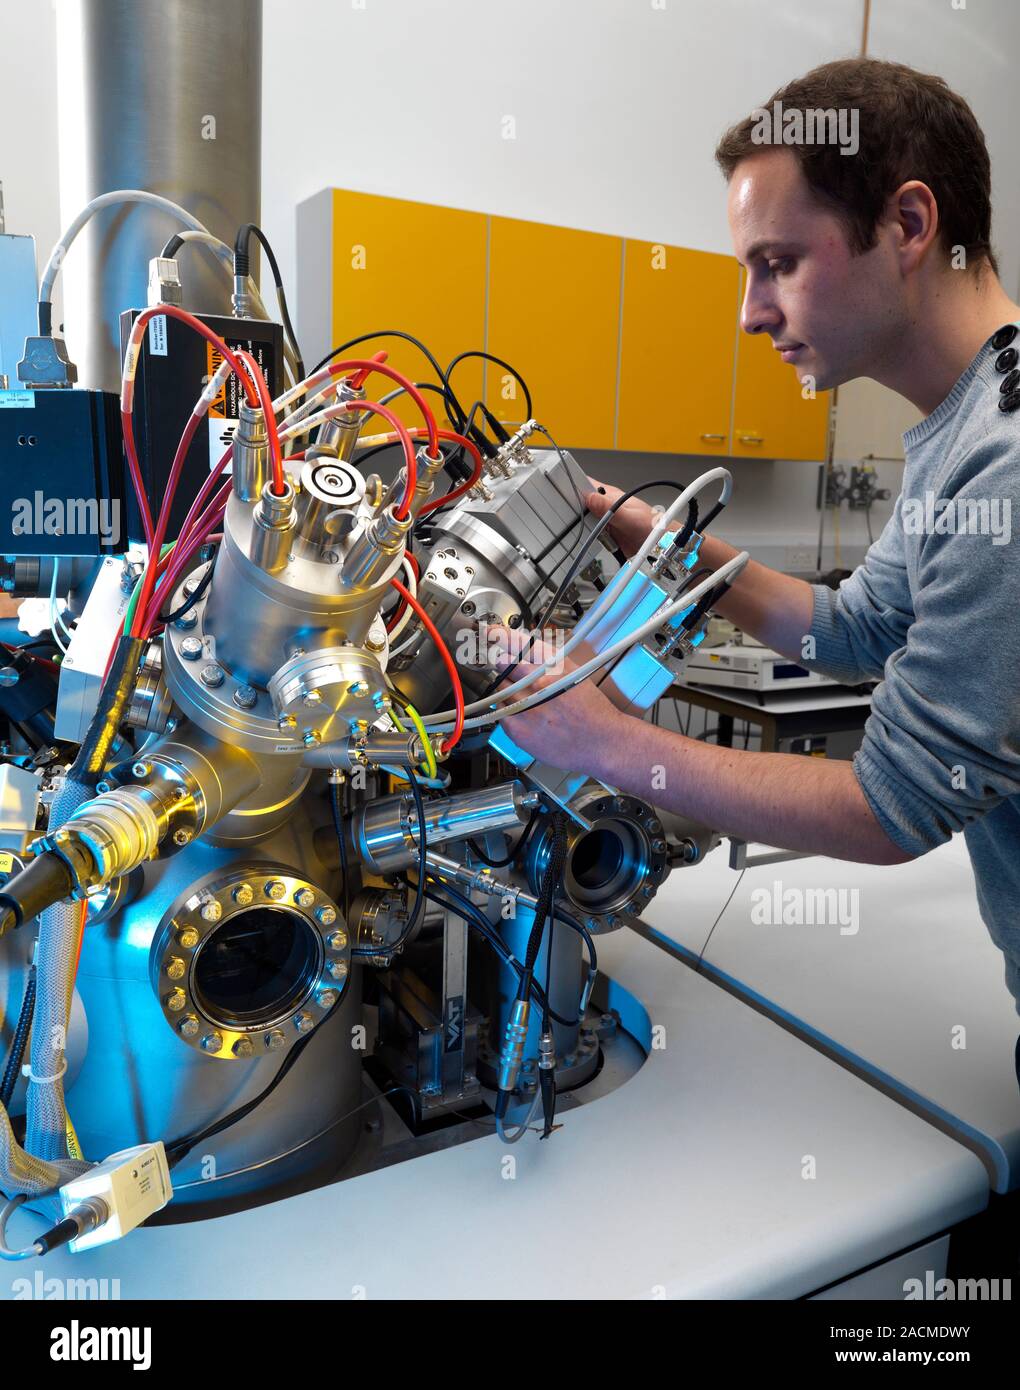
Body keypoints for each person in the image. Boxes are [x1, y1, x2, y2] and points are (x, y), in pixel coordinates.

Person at [499, 58, 1020, 1065]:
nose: (748, 310)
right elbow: (852, 626)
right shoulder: (969, 423)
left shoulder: (1003, 460)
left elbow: (894, 806)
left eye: (777, 262)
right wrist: (654, 536)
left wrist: (604, 741)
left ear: (909, 226)